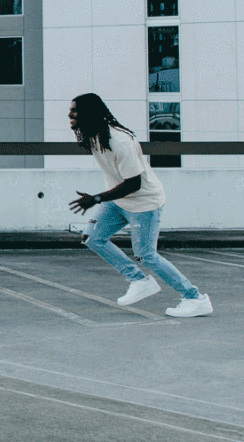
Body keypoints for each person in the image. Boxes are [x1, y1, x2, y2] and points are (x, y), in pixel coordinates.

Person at [67, 93, 211, 318]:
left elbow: (134, 184)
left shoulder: (119, 141)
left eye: (75, 111)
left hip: (144, 202)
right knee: (92, 237)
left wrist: (95, 198)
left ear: (89, 113)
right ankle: (139, 281)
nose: (70, 114)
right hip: (119, 200)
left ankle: (195, 298)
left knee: (146, 255)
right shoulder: (94, 135)